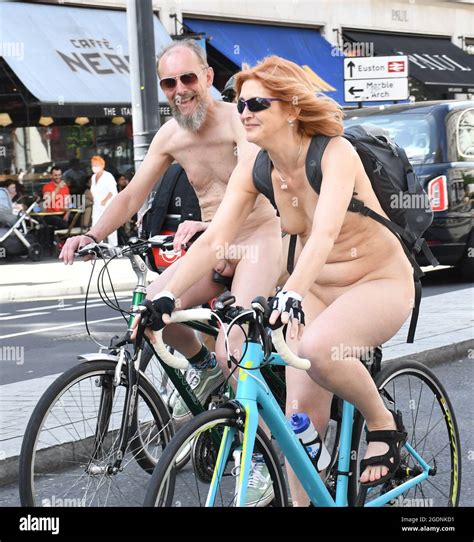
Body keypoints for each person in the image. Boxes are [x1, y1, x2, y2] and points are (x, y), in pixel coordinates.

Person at [144, 56, 414, 506]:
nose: (243, 111)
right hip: (315, 290)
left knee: (319, 349)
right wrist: (164, 294)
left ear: (290, 108)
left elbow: (325, 232)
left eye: (256, 103)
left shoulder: (334, 152)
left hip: (376, 282)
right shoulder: (258, 169)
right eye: (239, 102)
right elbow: (216, 241)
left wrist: (289, 293)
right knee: (298, 428)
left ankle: (384, 423)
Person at [60, 39, 283, 482]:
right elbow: (132, 195)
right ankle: (200, 369)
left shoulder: (239, 118)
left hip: (257, 238)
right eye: (168, 82)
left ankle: (257, 460)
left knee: (234, 349)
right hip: (213, 245)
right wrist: (91, 233)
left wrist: (212, 225)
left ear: (208, 78)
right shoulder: (170, 136)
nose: (179, 90)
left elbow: (250, 174)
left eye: (187, 79)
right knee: (153, 309)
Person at [89, 155, 118, 246]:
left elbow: (112, 192)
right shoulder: (93, 177)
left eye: (97, 165)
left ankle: (114, 246)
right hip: (97, 206)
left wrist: (105, 200)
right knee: (95, 227)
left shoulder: (108, 176)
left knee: (110, 227)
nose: (95, 167)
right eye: (93, 165)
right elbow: (93, 191)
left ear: (102, 165)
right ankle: (98, 247)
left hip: (108, 205)